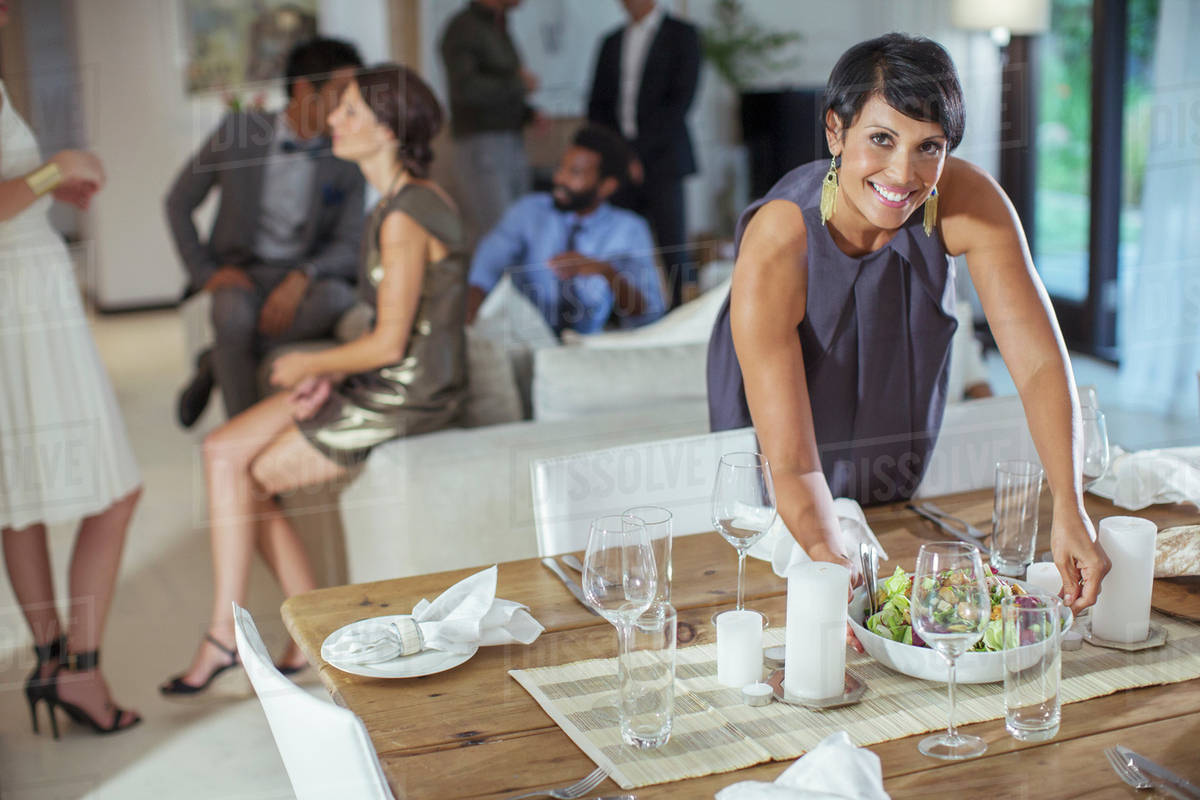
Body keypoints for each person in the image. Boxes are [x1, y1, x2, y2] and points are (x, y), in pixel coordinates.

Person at [706, 33, 1110, 613]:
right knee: (795, 563)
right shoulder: (778, 241)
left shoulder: (966, 200)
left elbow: (1040, 364)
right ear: (835, 131)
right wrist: (829, 560)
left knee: (889, 510)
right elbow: (791, 462)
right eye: (881, 139)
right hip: (784, 416)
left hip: (892, 371)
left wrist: (1070, 508)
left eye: (929, 146)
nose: (903, 174)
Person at [161, 63, 468, 696]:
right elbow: (388, 337)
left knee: (243, 472)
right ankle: (289, 635)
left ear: (387, 130)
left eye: (351, 111)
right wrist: (330, 375)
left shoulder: (405, 214)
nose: (334, 120)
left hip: (410, 393)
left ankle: (232, 635)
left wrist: (312, 365)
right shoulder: (393, 202)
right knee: (221, 450)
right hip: (383, 376)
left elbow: (390, 343)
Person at [0, 8, 142, 736]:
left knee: (18, 496)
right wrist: (59, 166)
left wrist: (43, 188)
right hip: (20, 306)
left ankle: (55, 662)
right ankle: (76, 670)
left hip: (24, 292)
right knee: (116, 490)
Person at [167, 38, 366, 428]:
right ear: (304, 89)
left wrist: (304, 275)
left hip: (307, 277)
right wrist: (205, 273)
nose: (351, 105)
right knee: (230, 314)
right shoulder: (239, 133)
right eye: (342, 92)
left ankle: (216, 360)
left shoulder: (347, 153)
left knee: (338, 298)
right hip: (243, 273)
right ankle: (243, 432)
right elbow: (178, 202)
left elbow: (349, 241)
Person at [465, 124, 665, 335]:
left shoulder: (629, 229)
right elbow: (485, 270)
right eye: (561, 168)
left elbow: (648, 315)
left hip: (590, 343)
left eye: (574, 173)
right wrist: (471, 317)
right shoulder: (529, 211)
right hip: (527, 337)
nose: (559, 179)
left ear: (607, 186)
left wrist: (607, 272)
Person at [587, 0, 701, 309]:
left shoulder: (682, 35)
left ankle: (681, 313)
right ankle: (629, 312)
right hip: (619, 162)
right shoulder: (611, 42)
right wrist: (621, 157)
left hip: (663, 160)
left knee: (672, 244)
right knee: (619, 243)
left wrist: (638, 154)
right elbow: (597, 105)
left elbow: (680, 102)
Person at [440, 0, 539, 248]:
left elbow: (497, 80)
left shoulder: (497, 24)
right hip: (482, 143)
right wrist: (518, 85)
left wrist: (527, 113)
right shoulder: (465, 27)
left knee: (519, 227)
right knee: (497, 234)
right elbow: (466, 89)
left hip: (508, 137)